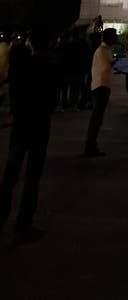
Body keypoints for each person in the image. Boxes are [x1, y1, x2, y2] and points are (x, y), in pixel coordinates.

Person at [0, 27, 59, 241]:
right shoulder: (51, 69)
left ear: (30, 44)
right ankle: (23, 223)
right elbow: (52, 100)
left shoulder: (20, 67)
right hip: (40, 127)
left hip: (21, 126)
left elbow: (13, 93)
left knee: (10, 176)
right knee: (32, 177)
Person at [83, 27, 117, 157]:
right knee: (96, 118)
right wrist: (115, 63)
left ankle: (91, 144)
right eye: (114, 36)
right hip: (100, 87)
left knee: (97, 118)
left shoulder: (105, 50)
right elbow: (105, 66)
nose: (116, 38)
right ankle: (90, 145)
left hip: (102, 86)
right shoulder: (102, 50)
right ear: (108, 38)